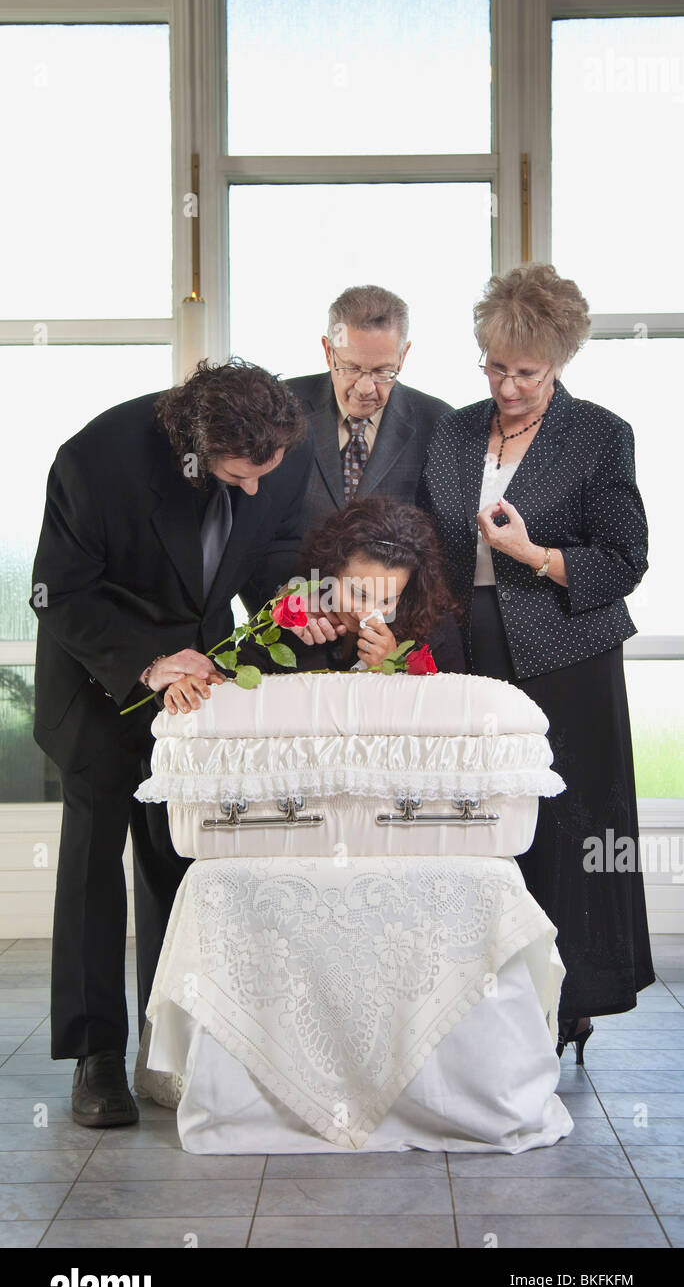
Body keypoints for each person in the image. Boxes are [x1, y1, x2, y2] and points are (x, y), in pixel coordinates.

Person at [29, 357, 313, 1127]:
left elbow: (278, 554)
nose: (257, 487)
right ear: (196, 446)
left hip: (203, 681)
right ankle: (97, 1058)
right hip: (103, 680)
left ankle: (176, 1038)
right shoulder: (95, 462)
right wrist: (150, 665)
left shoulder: (278, 450)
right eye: (239, 473)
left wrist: (307, 613)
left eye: (269, 470)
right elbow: (57, 590)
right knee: (95, 864)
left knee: (180, 857)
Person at [417, 262, 655, 1060]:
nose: (508, 386)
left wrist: (532, 553)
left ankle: (572, 996)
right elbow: (424, 542)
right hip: (468, 648)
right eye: (495, 367)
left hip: (568, 652)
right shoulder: (453, 432)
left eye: (527, 372)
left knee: (568, 825)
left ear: (559, 363)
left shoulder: (600, 435)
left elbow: (625, 560)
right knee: (484, 821)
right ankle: (484, 997)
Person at [162, 496, 466, 716]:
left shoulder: (435, 627)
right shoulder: (293, 615)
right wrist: (194, 687)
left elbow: (450, 714)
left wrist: (390, 673)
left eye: (388, 600)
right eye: (358, 594)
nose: (367, 612)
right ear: (331, 573)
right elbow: (233, 685)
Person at [287, 284, 457, 538]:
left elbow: (441, 538)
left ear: (403, 356)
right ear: (328, 351)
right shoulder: (285, 407)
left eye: (382, 371)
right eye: (351, 368)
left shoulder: (438, 422)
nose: (365, 388)